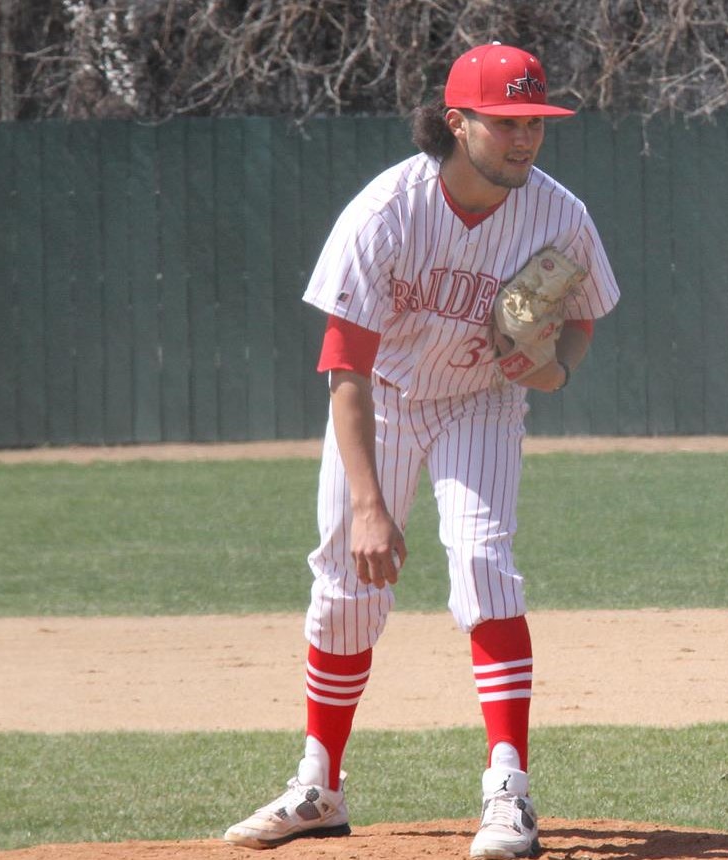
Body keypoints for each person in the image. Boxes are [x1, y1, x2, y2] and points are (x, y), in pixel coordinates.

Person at [223, 42, 619, 859]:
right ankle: (319, 785)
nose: (525, 139)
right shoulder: (386, 212)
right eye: (505, 122)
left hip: (481, 401)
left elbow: (581, 315)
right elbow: (345, 369)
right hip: (386, 403)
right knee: (344, 588)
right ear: (455, 122)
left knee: (482, 563)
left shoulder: (558, 213)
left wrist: (554, 368)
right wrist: (369, 505)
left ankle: (507, 792)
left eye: (534, 122)